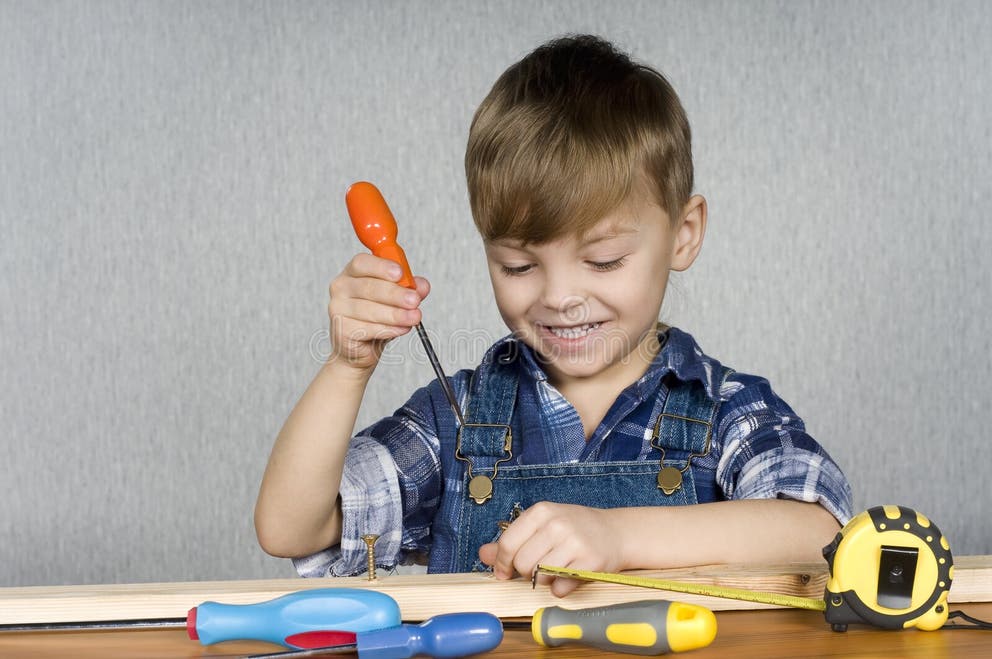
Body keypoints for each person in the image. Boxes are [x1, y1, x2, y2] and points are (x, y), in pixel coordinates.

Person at [254, 34, 853, 597]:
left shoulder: (726, 411)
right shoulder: (455, 422)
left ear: (684, 234)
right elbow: (293, 529)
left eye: (603, 260)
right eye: (518, 266)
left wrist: (618, 537)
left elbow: (821, 534)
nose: (560, 296)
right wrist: (347, 366)